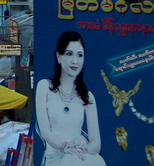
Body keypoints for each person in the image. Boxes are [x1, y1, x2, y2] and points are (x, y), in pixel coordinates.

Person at [35, 31, 105, 166]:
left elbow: (96, 144)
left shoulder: (87, 96)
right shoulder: (44, 87)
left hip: (79, 155)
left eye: (80, 55)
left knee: (97, 161)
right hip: (56, 156)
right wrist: (63, 146)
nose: (75, 61)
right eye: (69, 54)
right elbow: (45, 131)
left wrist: (84, 148)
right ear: (59, 57)